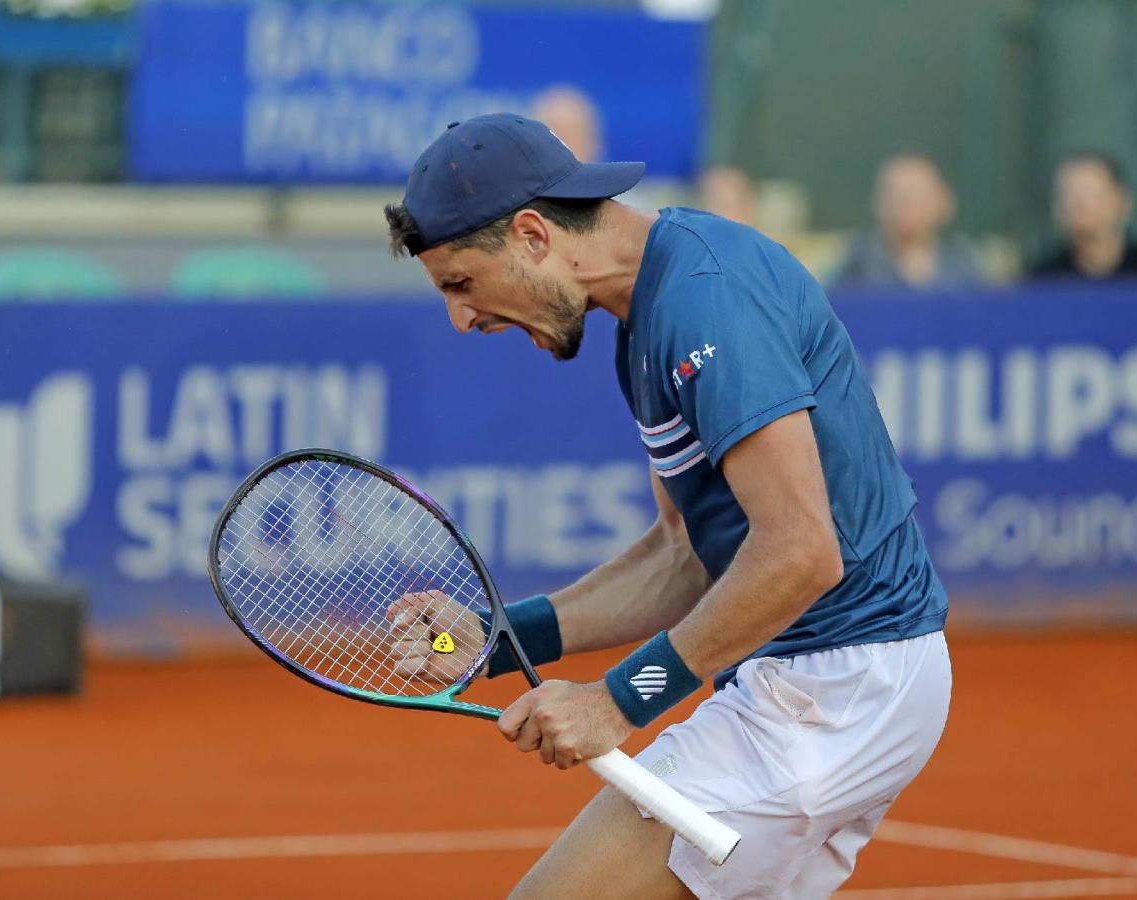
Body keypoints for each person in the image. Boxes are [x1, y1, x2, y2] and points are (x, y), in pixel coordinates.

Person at [384, 113, 951, 899]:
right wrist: (494, 638)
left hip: (836, 686)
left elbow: (801, 550)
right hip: (824, 679)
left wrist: (618, 701)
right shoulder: (648, 313)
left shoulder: (703, 305)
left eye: (461, 282)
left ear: (532, 235)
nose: (463, 317)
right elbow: (684, 558)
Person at [835, 154, 980, 289]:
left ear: (944, 202)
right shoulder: (856, 265)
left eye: (917, 195)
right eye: (895, 194)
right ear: (876, 202)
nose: (905, 204)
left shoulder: (962, 265)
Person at [1030, 151, 1137, 280]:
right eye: (1069, 196)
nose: (1080, 205)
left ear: (1122, 201)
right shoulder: (1041, 280)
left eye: (1091, 194)